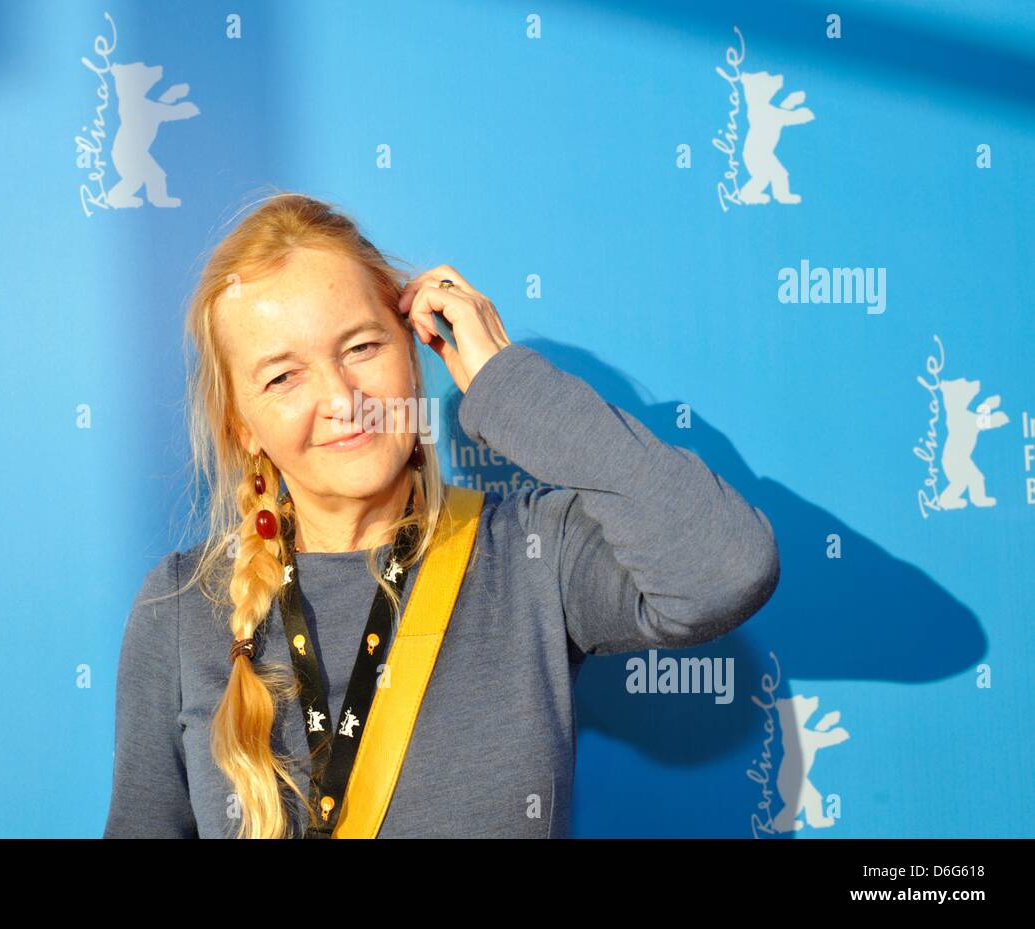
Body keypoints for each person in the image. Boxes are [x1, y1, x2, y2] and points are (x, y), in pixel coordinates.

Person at [103, 191, 781, 839]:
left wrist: (506, 380)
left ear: (415, 348)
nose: (343, 398)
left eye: (362, 347)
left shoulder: (531, 554)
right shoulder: (182, 605)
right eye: (283, 376)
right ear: (242, 426)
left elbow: (729, 566)